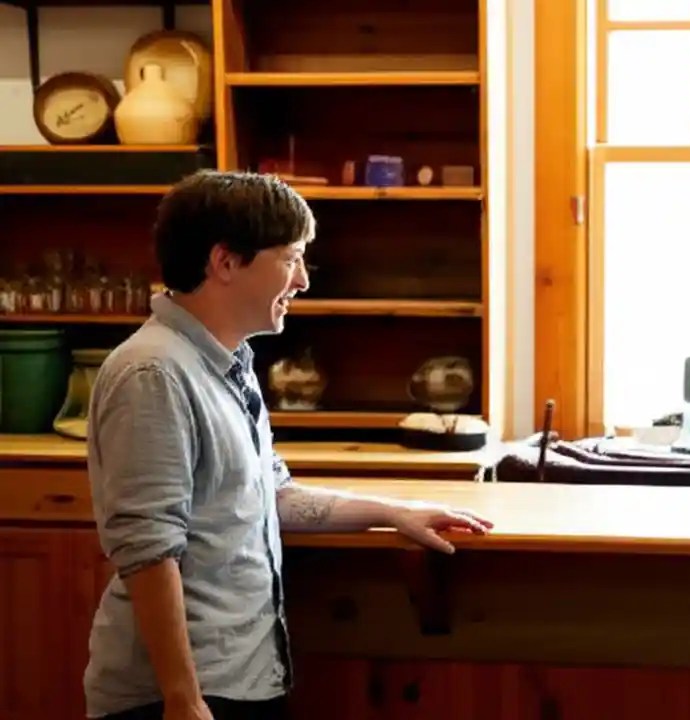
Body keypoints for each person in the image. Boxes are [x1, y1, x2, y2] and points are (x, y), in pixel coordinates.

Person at [84, 170, 494, 720]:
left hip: (242, 678)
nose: (302, 279)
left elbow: (269, 496)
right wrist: (183, 697)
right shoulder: (153, 374)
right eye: (291, 257)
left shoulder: (232, 364)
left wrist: (394, 512)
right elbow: (148, 548)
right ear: (225, 262)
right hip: (176, 696)